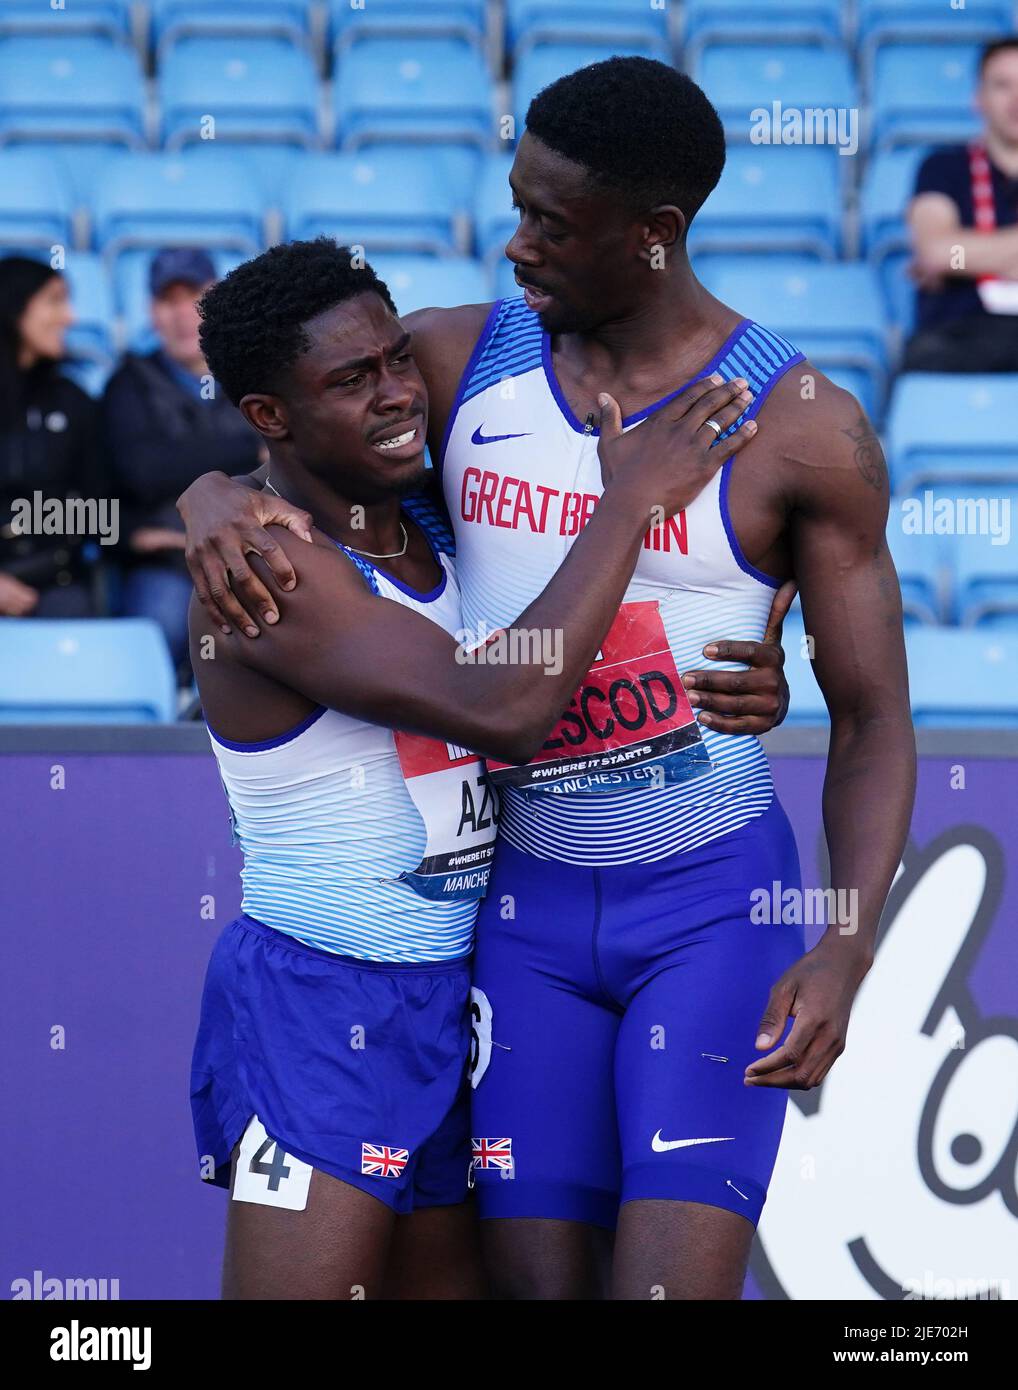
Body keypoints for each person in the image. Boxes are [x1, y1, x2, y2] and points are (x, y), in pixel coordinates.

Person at [179, 56, 914, 1301]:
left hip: (709, 901)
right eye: (516, 205)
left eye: (550, 223)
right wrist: (205, 499)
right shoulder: (451, 358)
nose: (515, 242)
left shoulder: (802, 426)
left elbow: (876, 718)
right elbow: (292, 431)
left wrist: (847, 943)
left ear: (653, 232)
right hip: (520, 916)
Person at [186, 238, 760, 1299]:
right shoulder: (269, 569)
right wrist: (628, 502)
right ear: (269, 414)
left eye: (399, 359)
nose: (400, 393)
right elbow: (503, 709)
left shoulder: (427, 525)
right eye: (351, 380)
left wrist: (747, 678)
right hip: (320, 998)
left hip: (460, 995)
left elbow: (573, 641)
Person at [103, 248, 262, 666]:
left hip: (257, 553)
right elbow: (143, 473)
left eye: (194, 297)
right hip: (170, 564)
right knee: (159, 632)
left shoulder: (255, 374)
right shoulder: (129, 383)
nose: (181, 314)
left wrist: (180, 459)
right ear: (151, 313)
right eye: (167, 301)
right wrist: (247, 449)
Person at [906, 36, 1018, 371]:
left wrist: (975, 254)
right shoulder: (943, 167)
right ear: (978, 99)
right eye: (1002, 85)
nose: (1016, 99)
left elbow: (949, 255)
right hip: (962, 336)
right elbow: (937, 252)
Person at [0, 256, 102, 617]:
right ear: (14, 307)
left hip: (55, 582)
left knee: (72, 617)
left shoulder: (72, 400)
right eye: (54, 301)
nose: (69, 318)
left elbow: (98, 506)